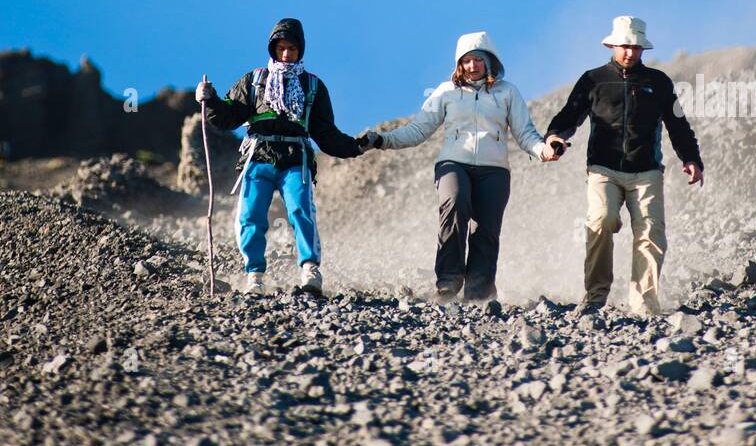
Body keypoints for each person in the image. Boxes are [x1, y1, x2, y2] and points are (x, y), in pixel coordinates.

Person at [358, 31, 560, 303]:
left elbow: (525, 133)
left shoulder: (507, 92)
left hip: (494, 169)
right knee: (454, 203)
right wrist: (382, 140)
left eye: (478, 59)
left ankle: (479, 294)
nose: (472, 65)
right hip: (453, 163)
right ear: (459, 64)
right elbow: (418, 130)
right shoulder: (446, 92)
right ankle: (448, 283)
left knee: (486, 229)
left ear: (490, 61)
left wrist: (543, 150)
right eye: (466, 60)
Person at [544, 15, 704, 318]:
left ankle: (644, 303)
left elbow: (678, 125)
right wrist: (555, 138)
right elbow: (568, 116)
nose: (630, 52)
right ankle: (595, 296)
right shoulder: (593, 80)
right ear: (612, 46)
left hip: (647, 172)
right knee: (602, 220)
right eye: (624, 46)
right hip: (603, 169)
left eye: (636, 47)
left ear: (643, 48)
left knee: (651, 232)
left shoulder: (658, 82)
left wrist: (691, 159)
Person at [196, 17, 362, 296]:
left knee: (301, 210)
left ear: (301, 50)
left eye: (292, 49)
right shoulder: (253, 81)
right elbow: (228, 117)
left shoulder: (313, 86)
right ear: (272, 49)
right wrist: (210, 99)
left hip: (296, 158)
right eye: (281, 48)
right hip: (258, 156)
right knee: (251, 214)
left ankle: (310, 270)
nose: (286, 54)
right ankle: (255, 275)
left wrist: (356, 146)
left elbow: (326, 134)